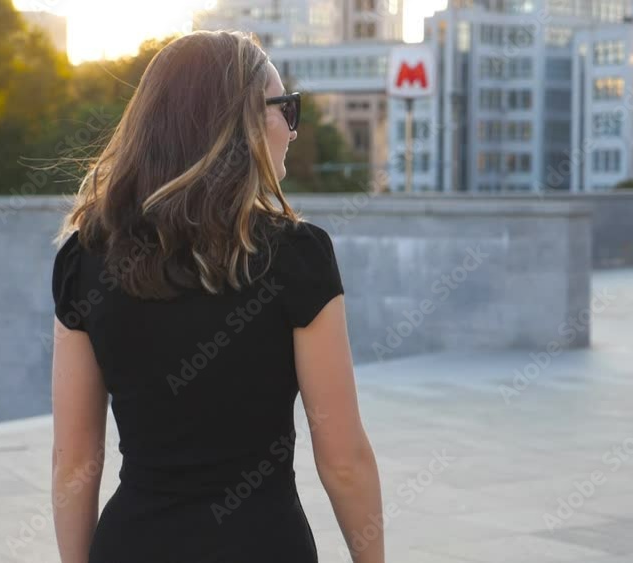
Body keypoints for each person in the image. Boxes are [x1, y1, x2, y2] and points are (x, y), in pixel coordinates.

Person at [50, 31, 383, 563]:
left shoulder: (84, 259)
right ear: (241, 122)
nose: (293, 129)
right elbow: (343, 461)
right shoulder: (297, 256)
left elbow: (73, 463)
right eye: (286, 108)